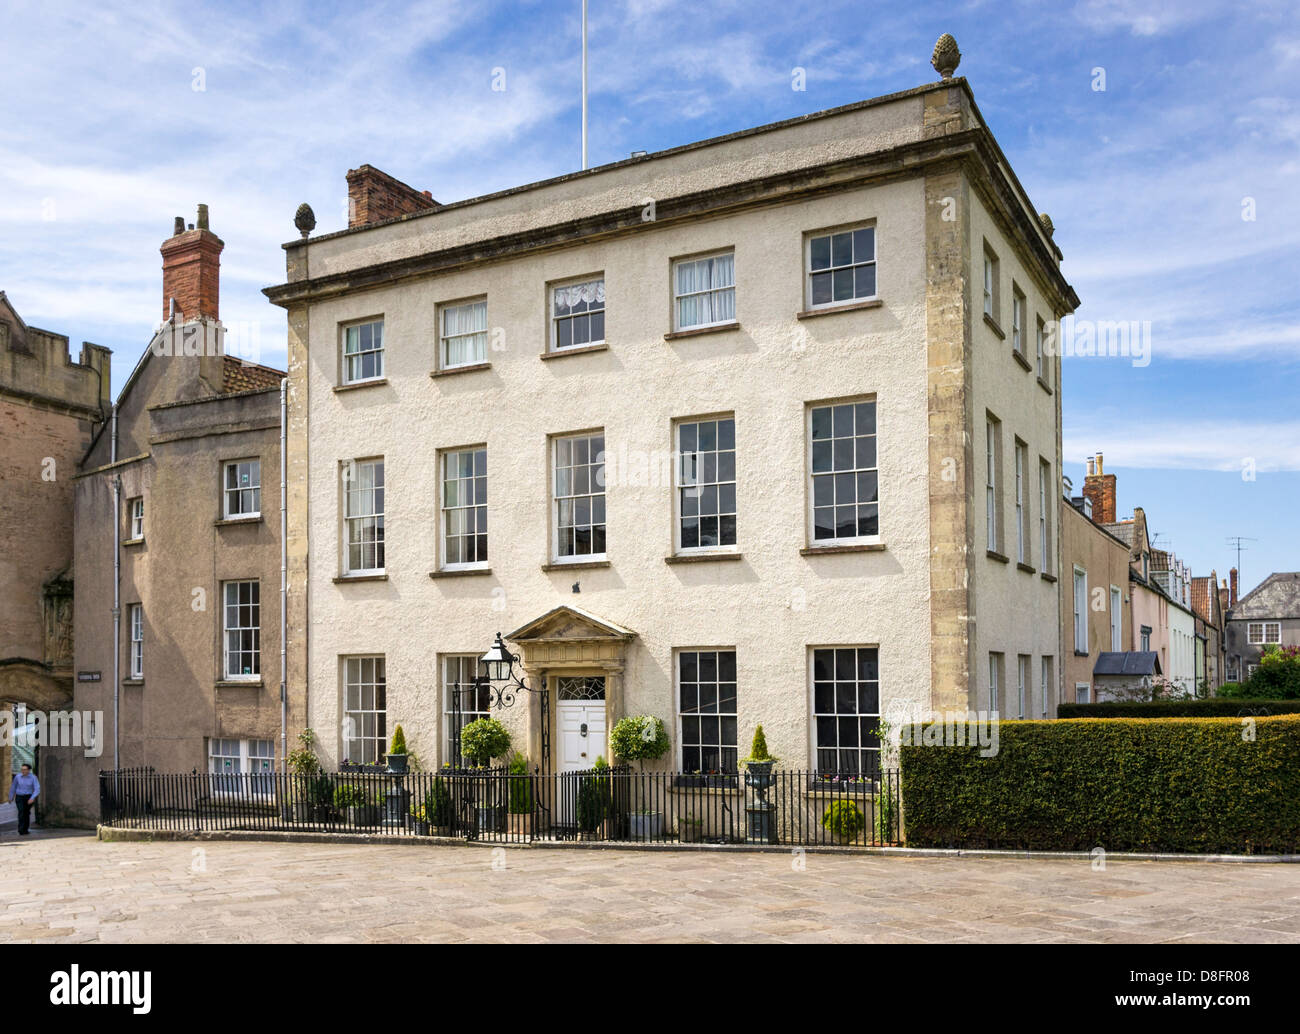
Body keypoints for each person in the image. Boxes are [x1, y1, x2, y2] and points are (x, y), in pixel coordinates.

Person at [8, 763, 40, 835]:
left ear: (29, 770)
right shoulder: (17, 777)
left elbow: (37, 789)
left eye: (25, 769)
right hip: (19, 797)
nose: (23, 771)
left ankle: (25, 829)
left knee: (26, 813)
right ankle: (21, 829)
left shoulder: (33, 777)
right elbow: (13, 787)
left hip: (28, 797)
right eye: (22, 769)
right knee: (21, 812)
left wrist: (32, 798)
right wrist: (11, 797)